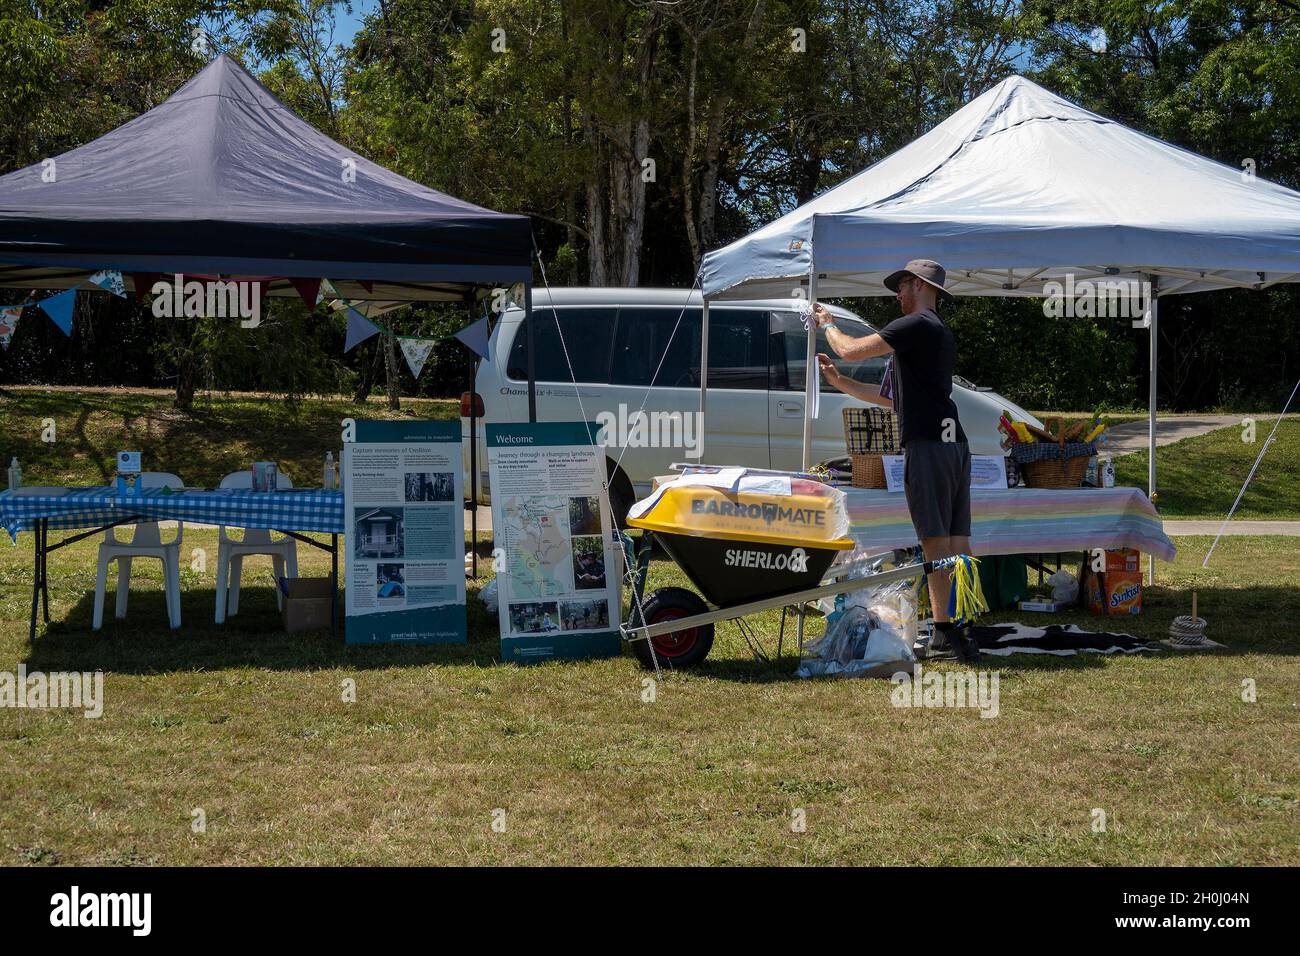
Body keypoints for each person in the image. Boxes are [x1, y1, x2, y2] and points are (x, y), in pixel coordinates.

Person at [814, 258, 980, 663]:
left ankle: (942, 634)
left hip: (929, 445)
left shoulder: (916, 325)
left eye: (902, 286)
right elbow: (891, 400)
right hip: (953, 443)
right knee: (957, 541)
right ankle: (962, 628)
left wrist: (826, 323)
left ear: (921, 286)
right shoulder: (936, 332)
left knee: (935, 540)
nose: (898, 295)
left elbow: (849, 349)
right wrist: (839, 382)